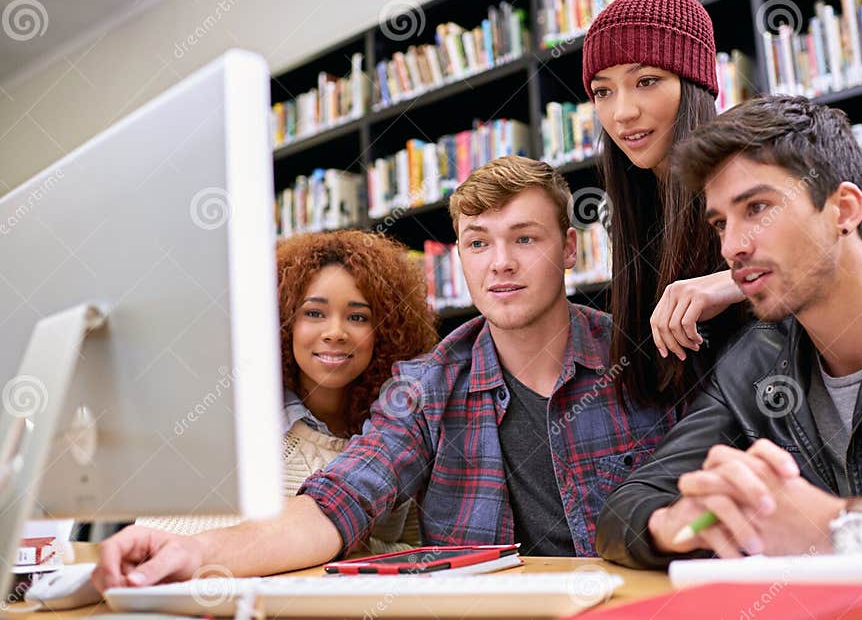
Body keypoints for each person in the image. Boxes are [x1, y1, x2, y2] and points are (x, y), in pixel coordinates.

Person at [92, 156, 670, 591]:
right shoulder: (425, 386)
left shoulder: (648, 357)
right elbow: (334, 504)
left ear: (570, 248)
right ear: (459, 257)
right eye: (478, 243)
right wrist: (193, 554)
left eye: (525, 238)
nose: (501, 263)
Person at [595, 95, 862, 571]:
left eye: (758, 207)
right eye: (721, 223)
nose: (731, 246)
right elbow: (623, 510)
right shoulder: (755, 365)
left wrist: (848, 526)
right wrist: (672, 521)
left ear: (844, 209)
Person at [581, 0, 862, 409]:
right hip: (717, 433)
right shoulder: (619, 214)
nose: (622, 113)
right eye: (603, 91)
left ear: (693, 85)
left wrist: (735, 282)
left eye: (646, 82)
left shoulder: (761, 159)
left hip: (820, 417)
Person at [137, 230, 436, 554]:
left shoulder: (399, 432)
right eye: (314, 313)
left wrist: (315, 541)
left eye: (357, 316)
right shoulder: (233, 423)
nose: (335, 332)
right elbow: (161, 537)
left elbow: (414, 554)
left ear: (386, 331)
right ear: (281, 323)